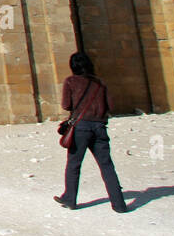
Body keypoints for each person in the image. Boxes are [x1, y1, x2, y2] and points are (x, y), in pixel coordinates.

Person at [54, 52, 128, 213]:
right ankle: (119, 204)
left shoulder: (71, 81)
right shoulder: (100, 83)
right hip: (100, 128)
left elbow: (66, 105)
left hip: (80, 128)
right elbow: (111, 105)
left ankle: (70, 198)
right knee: (107, 166)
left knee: (74, 164)